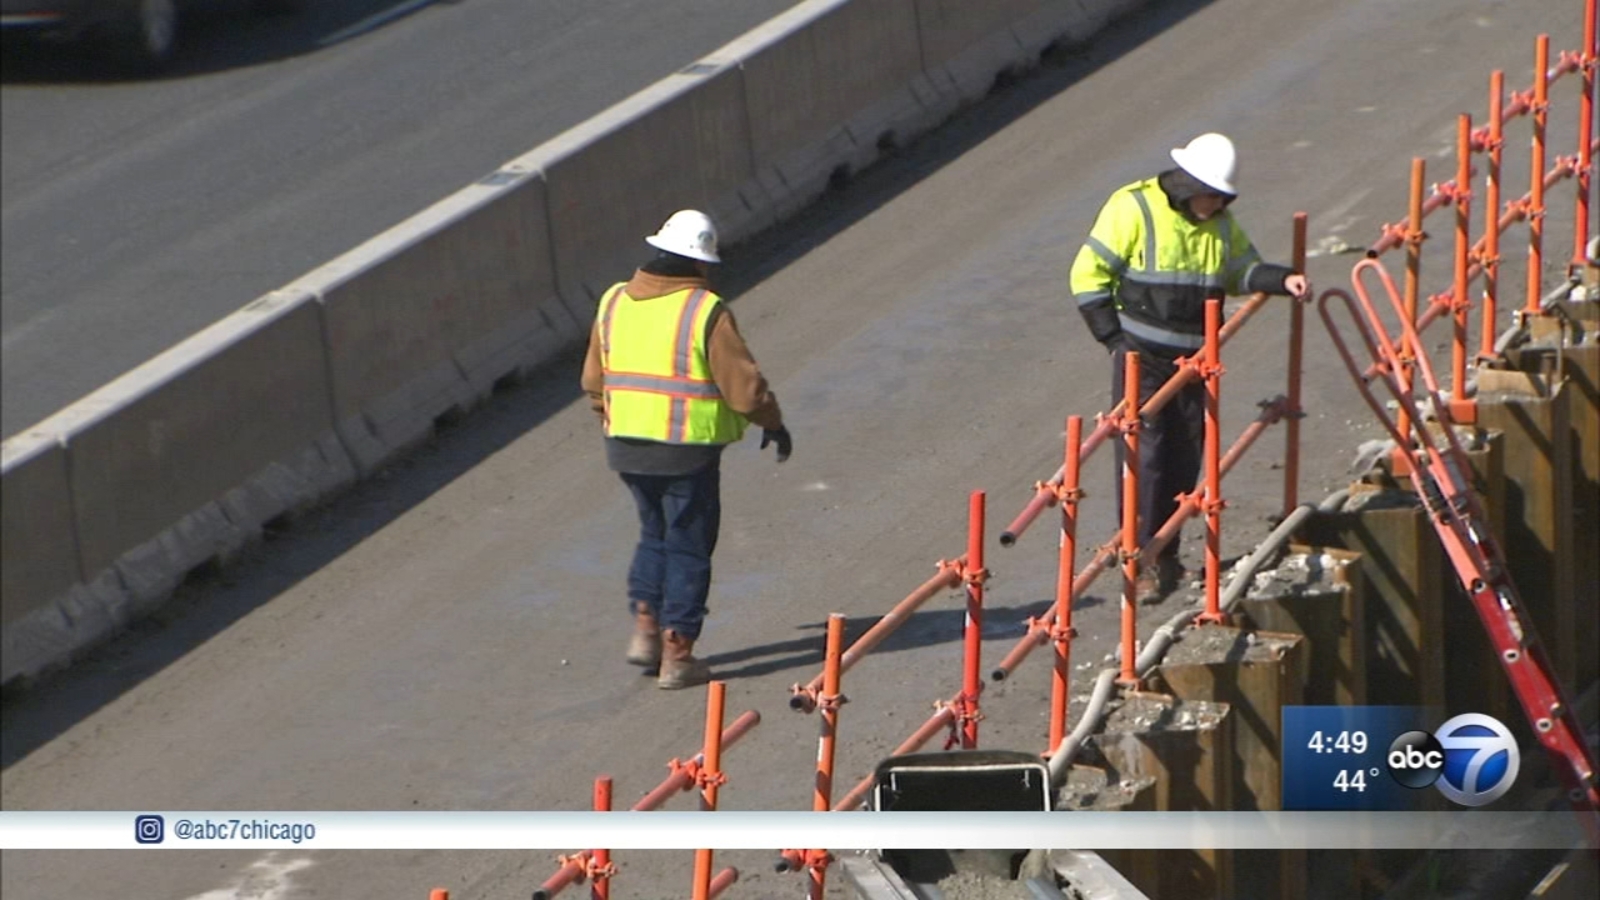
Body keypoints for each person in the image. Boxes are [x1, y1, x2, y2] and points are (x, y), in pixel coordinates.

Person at [1068, 133, 1310, 600]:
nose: (1217, 204)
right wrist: (1114, 342)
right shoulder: (1133, 208)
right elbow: (1087, 275)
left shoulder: (1220, 223)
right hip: (1142, 357)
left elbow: (1241, 269)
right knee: (1148, 458)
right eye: (1212, 195)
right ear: (1187, 185)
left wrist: (1283, 279)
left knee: (1186, 457)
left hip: (1196, 360)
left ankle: (1167, 552)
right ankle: (1139, 557)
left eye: (1223, 198)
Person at [581, 209, 792, 689]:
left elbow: (595, 379)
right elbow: (745, 389)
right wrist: (773, 424)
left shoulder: (614, 300)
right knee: (689, 544)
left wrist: (611, 422)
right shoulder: (704, 309)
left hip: (626, 446)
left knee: (653, 532)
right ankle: (678, 652)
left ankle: (645, 627)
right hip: (686, 451)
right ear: (699, 264)